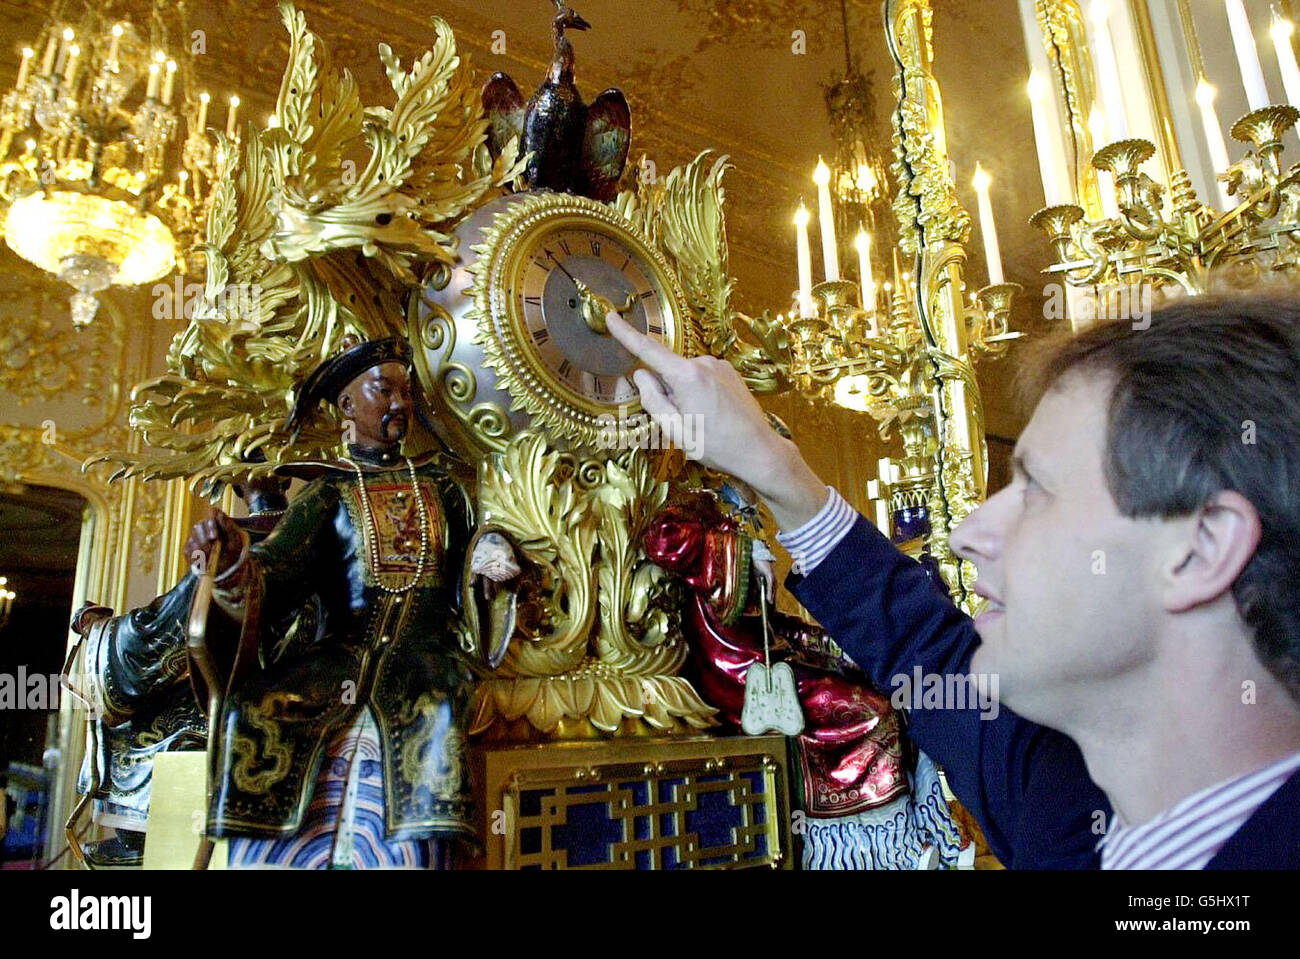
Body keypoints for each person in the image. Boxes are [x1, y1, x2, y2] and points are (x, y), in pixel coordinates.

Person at [605, 294, 1300, 869]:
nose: (968, 533)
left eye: (1036, 489)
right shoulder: (1067, 804)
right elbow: (930, 655)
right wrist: (776, 470)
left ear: (1201, 547)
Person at [185, 336, 521, 869]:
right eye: (383, 389)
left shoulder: (442, 486)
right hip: (335, 657)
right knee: (259, 706)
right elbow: (278, 570)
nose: (398, 405)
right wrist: (230, 562)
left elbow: (473, 543)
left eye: (405, 393)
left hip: (424, 656)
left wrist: (490, 549)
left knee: (434, 710)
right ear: (347, 404)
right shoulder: (326, 494)